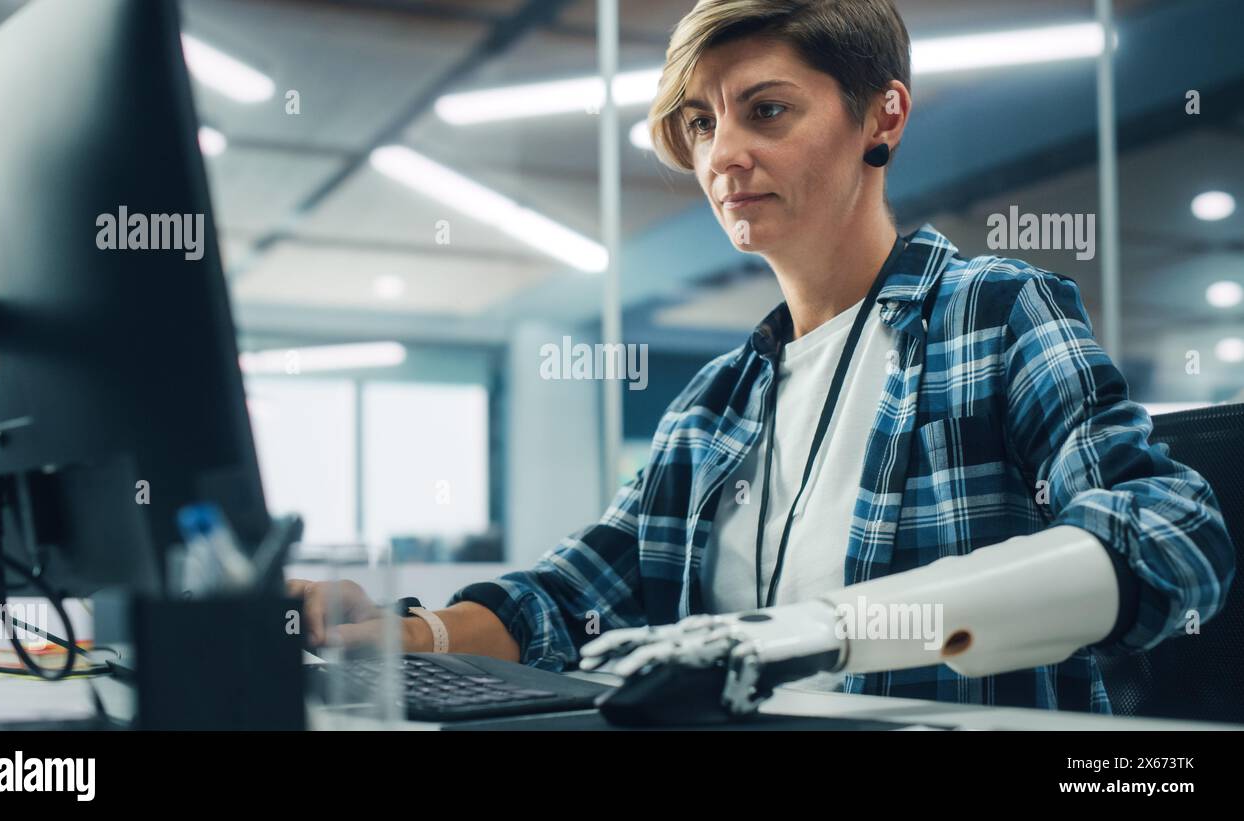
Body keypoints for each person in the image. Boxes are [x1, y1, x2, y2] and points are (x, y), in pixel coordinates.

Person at [289, 0, 1234, 713]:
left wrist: (820, 631)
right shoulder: (715, 404)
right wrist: (394, 634)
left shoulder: (988, 314)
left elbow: (1169, 536)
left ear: (883, 118)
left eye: (766, 110)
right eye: (702, 122)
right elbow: (574, 596)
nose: (722, 154)